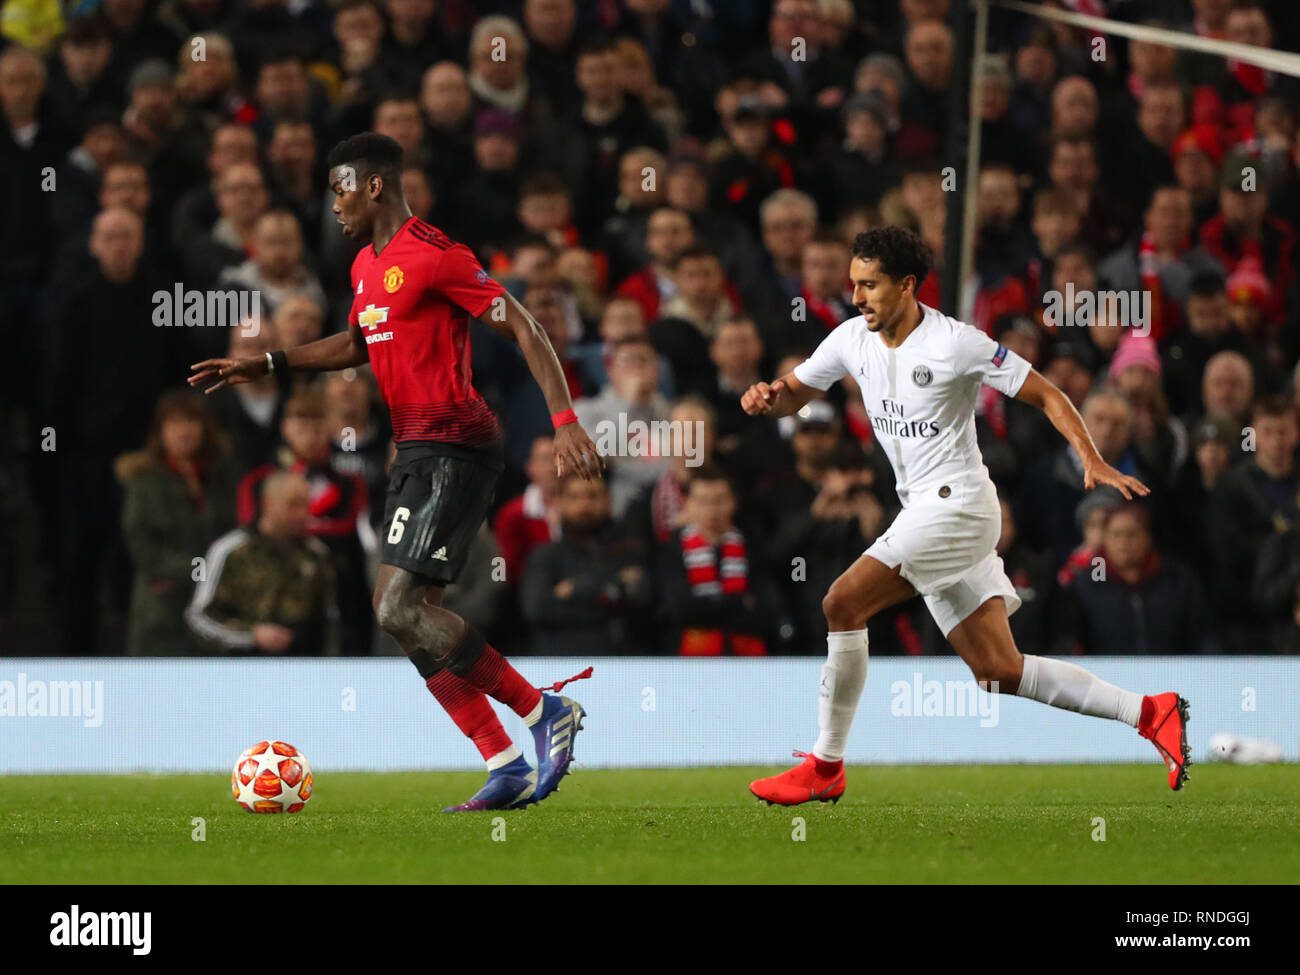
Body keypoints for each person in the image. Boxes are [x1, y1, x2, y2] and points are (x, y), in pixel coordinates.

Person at [190, 132, 603, 812]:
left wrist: (564, 421)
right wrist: (267, 362)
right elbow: (355, 342)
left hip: (458, 442)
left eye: (340, 189)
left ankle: (542, 712)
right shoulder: (362, 267)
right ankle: (502, 761)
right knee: (405, 618)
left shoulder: (438, 256)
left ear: (374, 184)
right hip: (413, 450)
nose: (335, 206)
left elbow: (524, 324)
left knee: (397, 606)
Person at [741, 227, 1190, 805]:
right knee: (999, 669)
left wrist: (1091, 456)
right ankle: (1151, 712)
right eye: (853, 284)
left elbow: (1048, 394)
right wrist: (767, 396)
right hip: (926, 510)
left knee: (841, 602)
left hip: (958, 509)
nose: (856, 296)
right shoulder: (851, 338)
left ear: (907, 285)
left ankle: (826, 764)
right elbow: (794, 394)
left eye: (869, 285)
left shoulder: (958, 343)